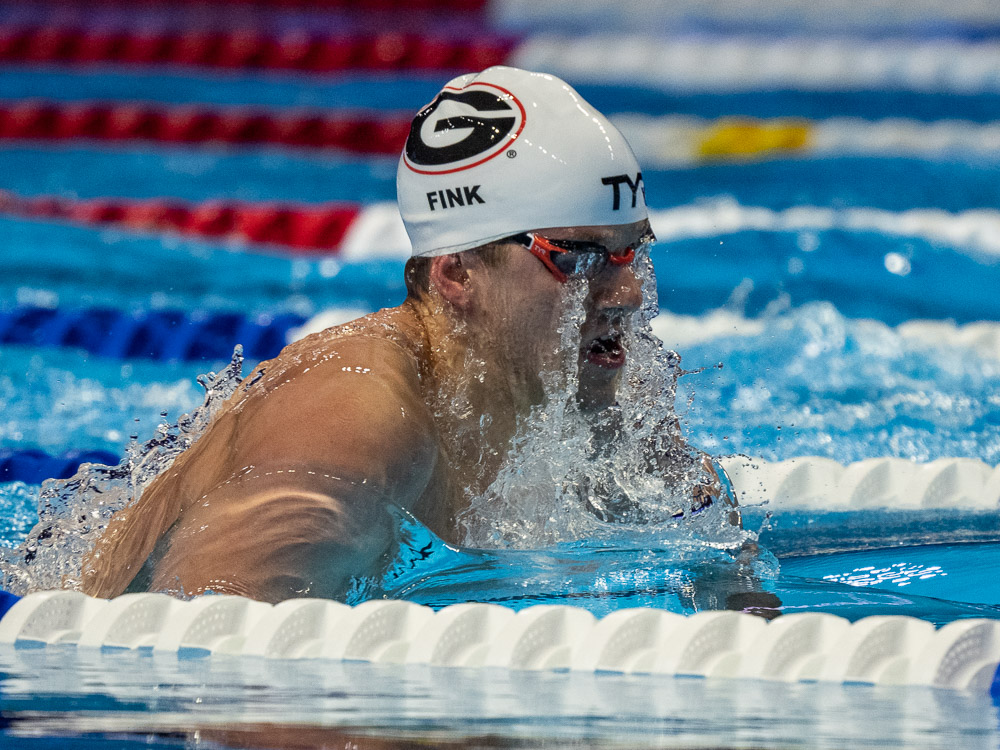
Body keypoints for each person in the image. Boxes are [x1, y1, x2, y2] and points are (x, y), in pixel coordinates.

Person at [79, 66, 736, 604]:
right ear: (457, 275)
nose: (626, 294)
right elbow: (208, 657)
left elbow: (726, 573)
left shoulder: (582, 400)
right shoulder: (355, 424)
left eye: (630, 253)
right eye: (578, 259)